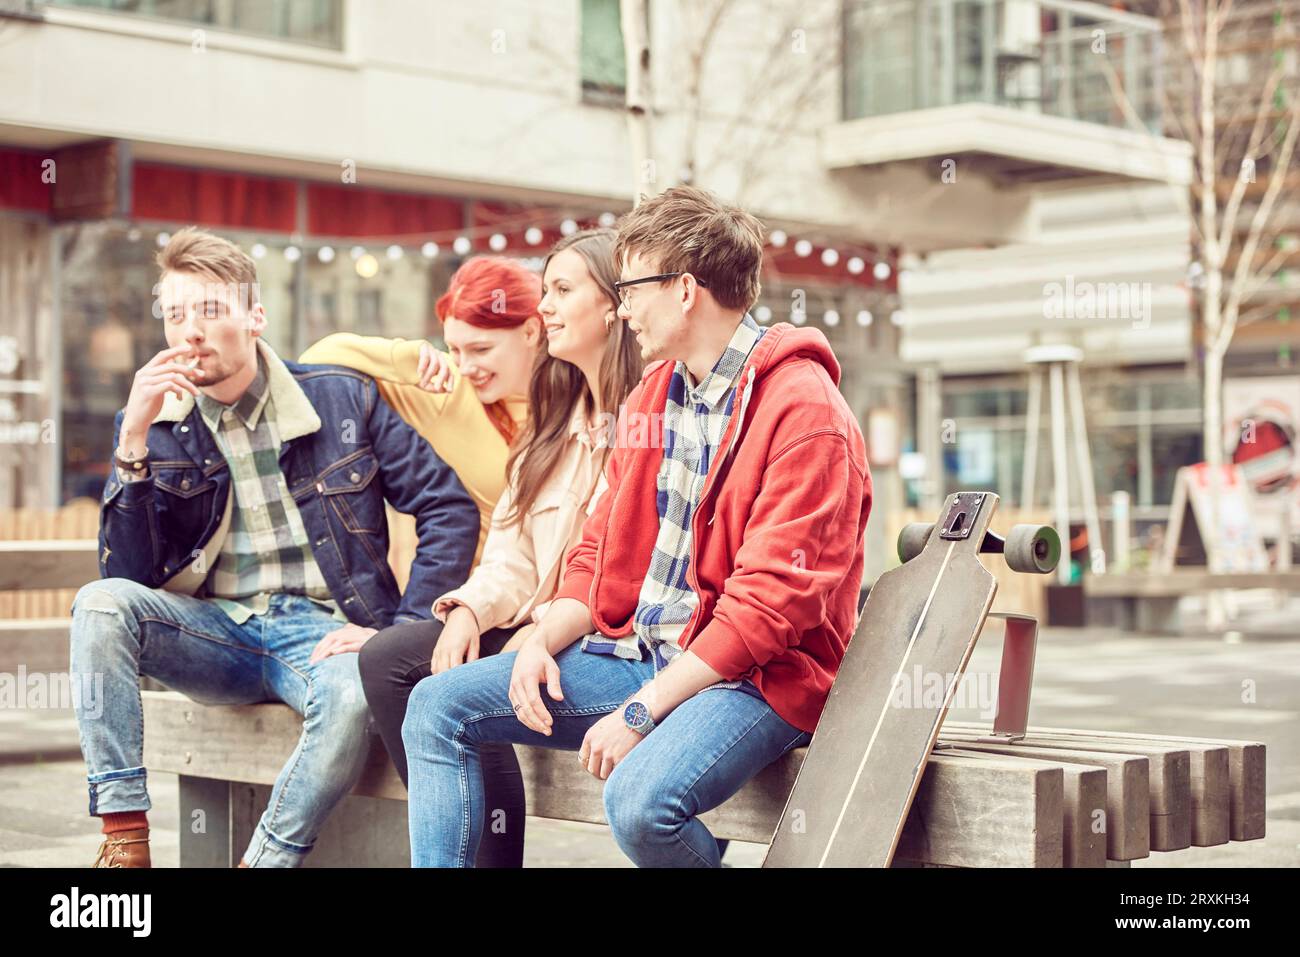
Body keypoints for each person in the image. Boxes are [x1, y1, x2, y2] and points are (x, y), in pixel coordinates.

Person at [401, 186, 873, 868]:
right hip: (635, 655)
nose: (621, 307)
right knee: (435, 705)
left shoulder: (805, 411)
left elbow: (768, 609)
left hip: (753, 678)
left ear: (684, 289)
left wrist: (643, 710)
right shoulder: (656, 392)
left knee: (638, 802)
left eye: (629, 288)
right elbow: (598, 547)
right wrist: (540, 639)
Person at [69, 227, 480, 868]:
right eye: (176, 314)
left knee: (351, 691)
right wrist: (135, 445)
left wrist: (401, 631)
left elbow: (446, 505)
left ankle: (264, 862)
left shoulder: (340, 397)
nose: (190, 331)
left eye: (210, 310)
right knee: (99, 604)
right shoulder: (152, 424)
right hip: (217, 634)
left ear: (254, 317)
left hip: (324, 636)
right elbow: (129, 576)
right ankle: (124, 838)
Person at [303, 234, 641, 866]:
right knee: (394, 660)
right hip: (527, 617)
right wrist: (466, 611)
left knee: (442, 693)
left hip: (597, 635)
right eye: (546, 293)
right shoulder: (552, 420)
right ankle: (486, 851)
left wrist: (538, 634)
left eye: (561, 293)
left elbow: (621, 570)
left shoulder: (647, 422)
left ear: (615, 307)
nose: (546, 310)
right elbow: (510, 551)